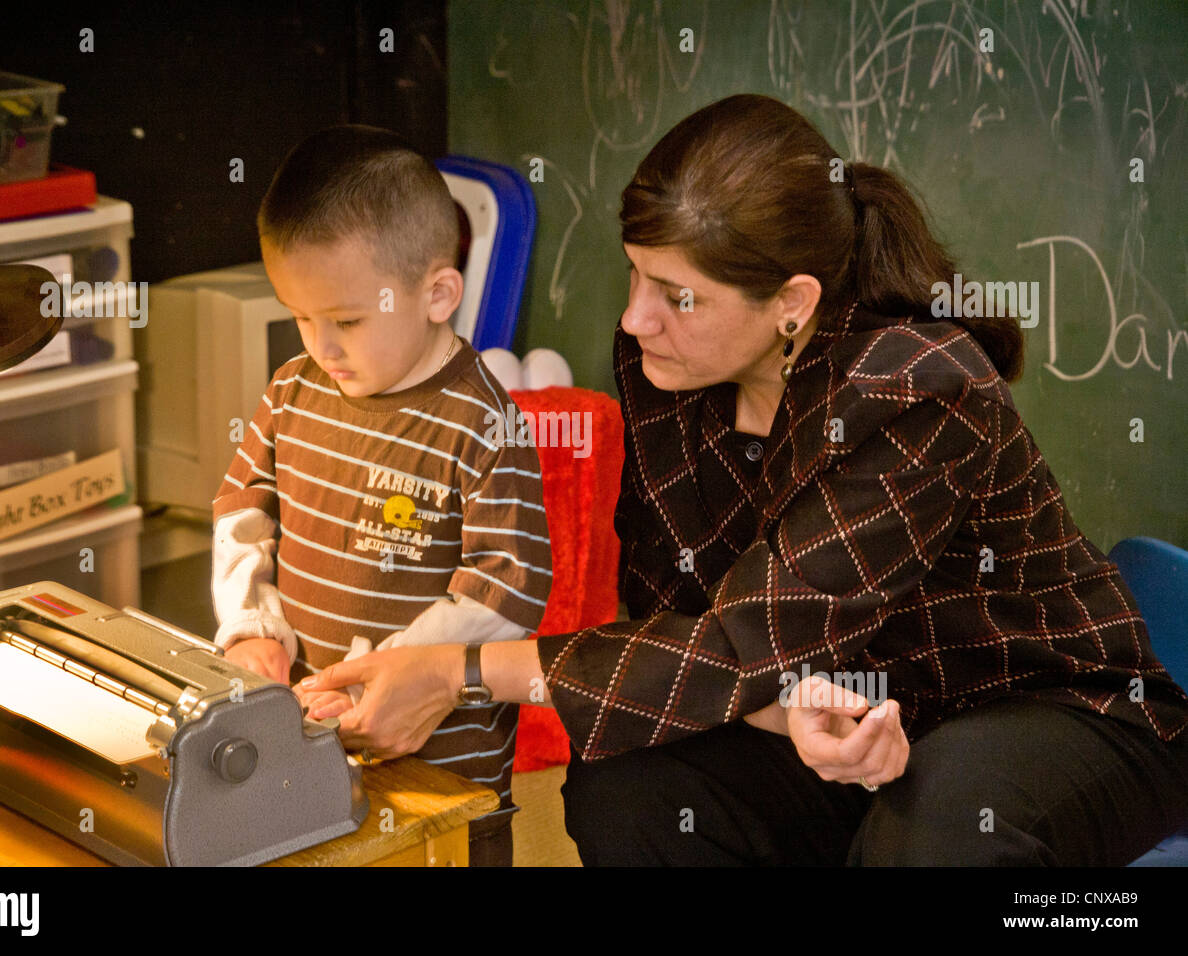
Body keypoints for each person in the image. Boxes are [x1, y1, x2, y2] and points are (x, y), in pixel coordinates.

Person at [303, 95, 1188, 866]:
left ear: (792, 304)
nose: (634, 316)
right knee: (630, 784)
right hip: (854, 717)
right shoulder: (666, 371)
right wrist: (785, 711)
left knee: (943, 824)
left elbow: (738, 642)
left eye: (676, 293)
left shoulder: (916, 385)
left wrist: (454, 671)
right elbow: (679, 628)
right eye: (636, 273)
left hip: (1052, 711)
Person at [210, 125, 553, 867]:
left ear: (437, 293)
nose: (320, 346)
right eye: (301, 316)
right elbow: (243, 510)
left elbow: (507, 587)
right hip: (311, 742)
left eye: (346, 321)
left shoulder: (483, 422)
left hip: (444, 775)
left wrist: (389, 672)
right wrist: (250, 626)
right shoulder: (294, 388)